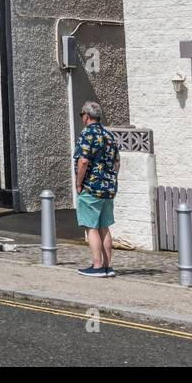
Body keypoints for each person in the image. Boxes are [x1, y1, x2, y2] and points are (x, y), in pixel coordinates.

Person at [73, 101, 120, 278]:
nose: (82, 119)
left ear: (86, 116)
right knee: (104, 227)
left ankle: (97, 266)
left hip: (91, 187)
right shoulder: (109, 135)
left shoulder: (87, 134)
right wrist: (111, 180)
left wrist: (79, 184)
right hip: (108, 188)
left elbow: (83, 161)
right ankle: (109, 267)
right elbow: (116, 163)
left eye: (82, 115)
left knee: (90, 227)